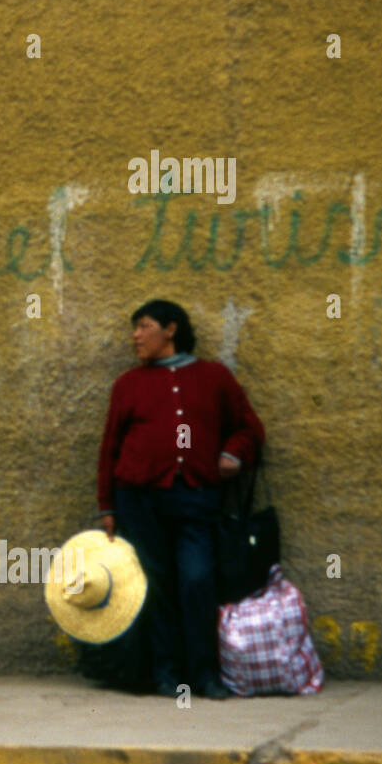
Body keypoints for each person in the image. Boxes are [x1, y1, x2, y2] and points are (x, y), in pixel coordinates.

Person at [95, 299, 265, 700]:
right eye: (133, 328)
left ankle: (204, 674)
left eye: (144, 326)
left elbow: (249, 428)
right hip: (139, 500)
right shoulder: (129, 384)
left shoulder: (213, 377)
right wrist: (107, 506)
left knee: (197, 579)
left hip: (196, 496)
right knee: (156, 586)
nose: (135, 335)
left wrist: (233, 453)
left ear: (170, 330)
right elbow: (110, 448)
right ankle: (167, 674)